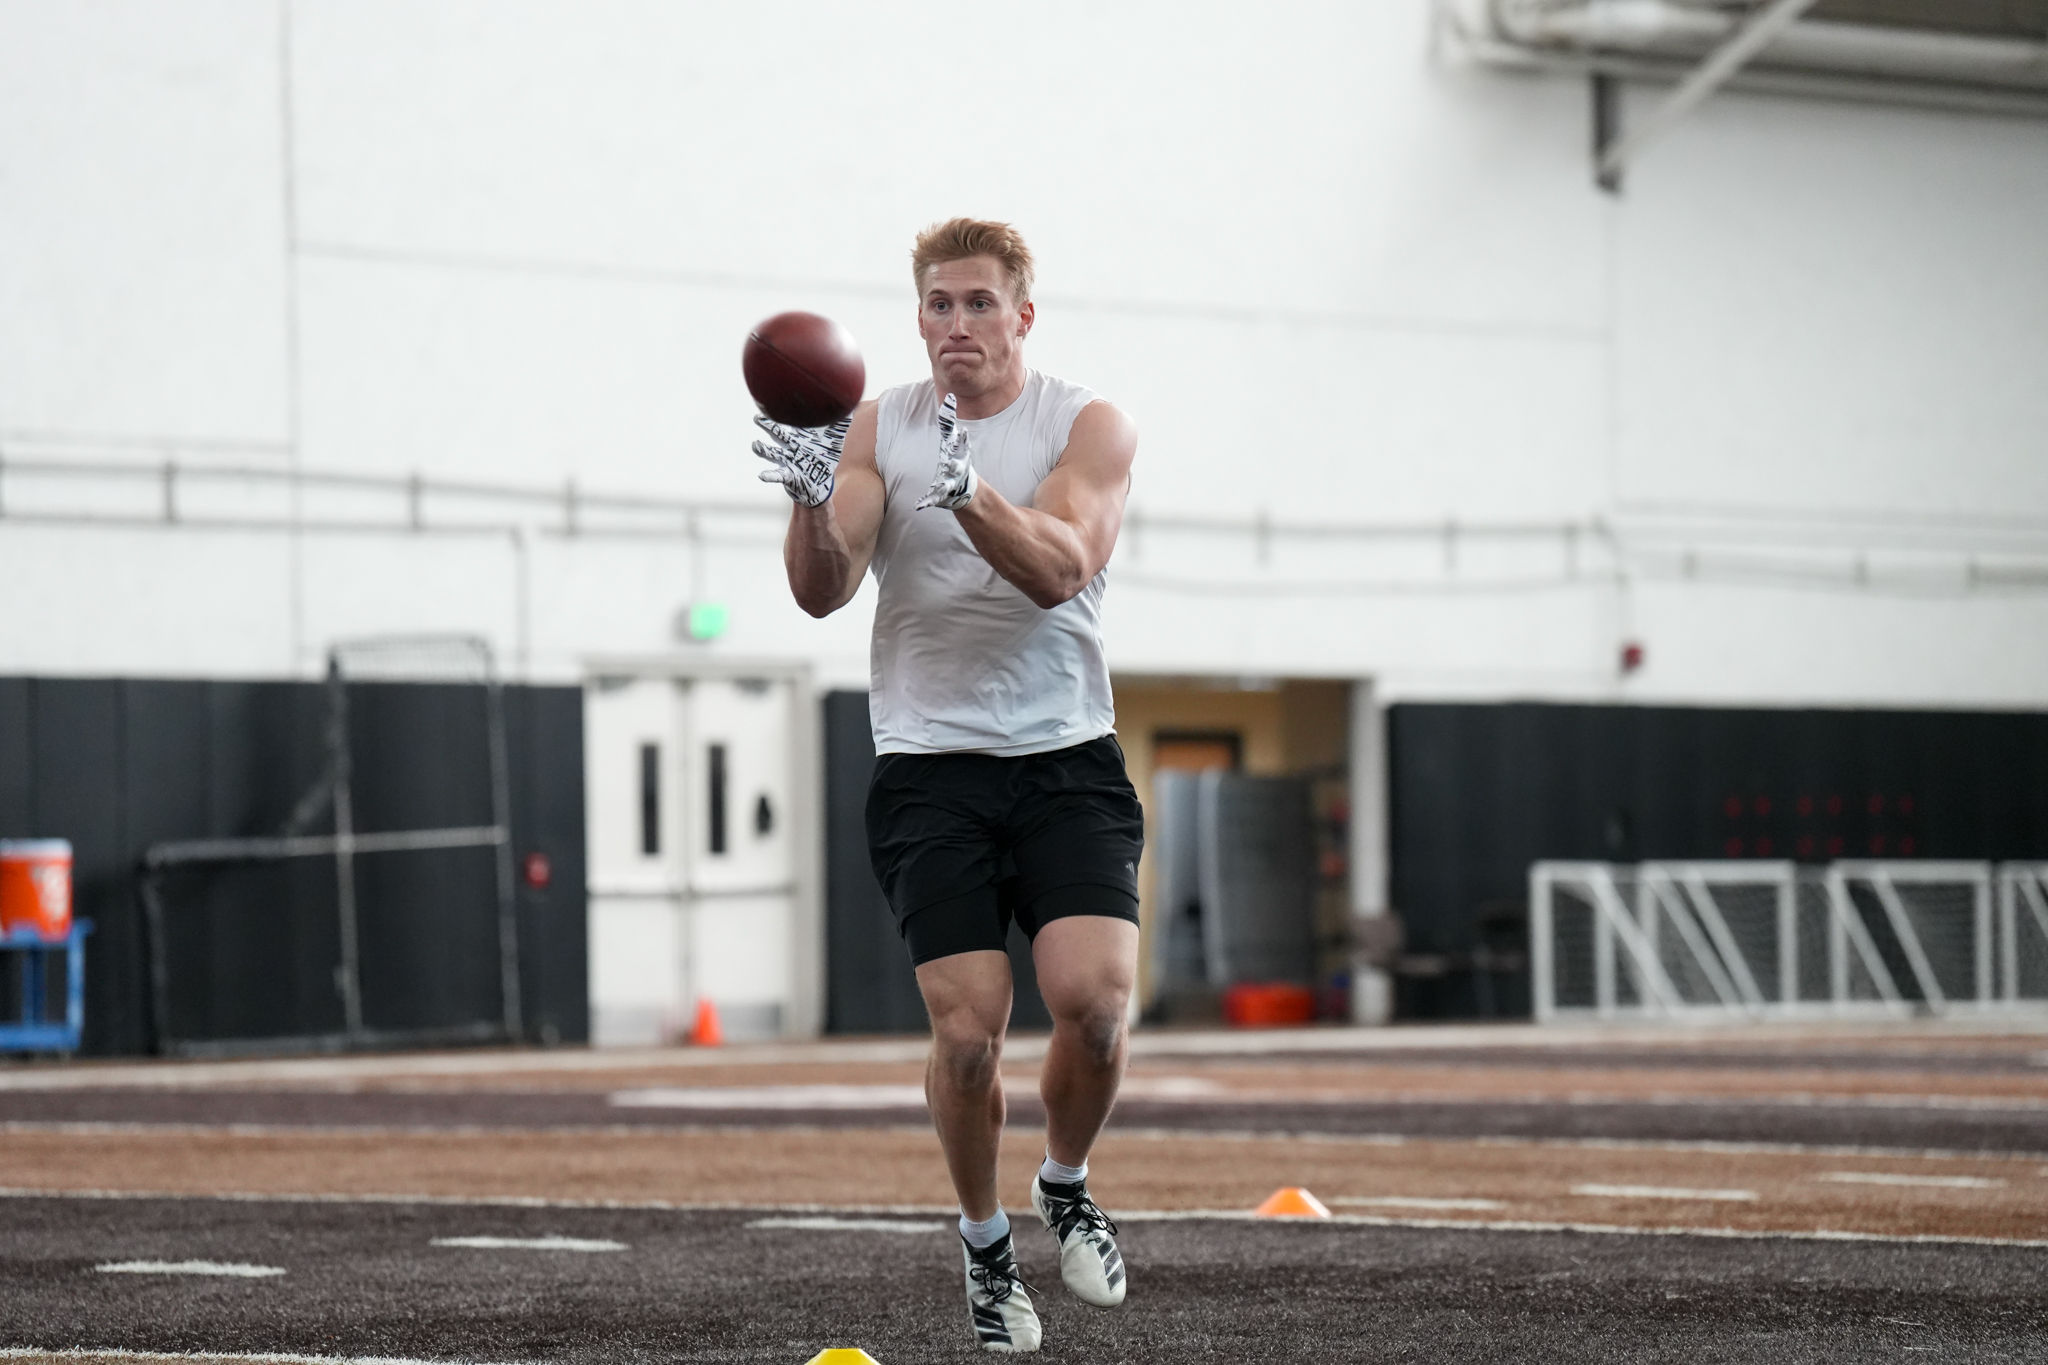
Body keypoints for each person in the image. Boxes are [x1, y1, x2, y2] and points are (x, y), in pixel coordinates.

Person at [752, 217, 1140, 1354]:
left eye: (978, 302)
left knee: (1095, 1009)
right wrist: (810, 497)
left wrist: (969, 492)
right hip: (930, 765)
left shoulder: (1086, 423)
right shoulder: (881, 427)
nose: (956, 323)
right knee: (968, 1034)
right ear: (917, 316)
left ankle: (1064, 1182)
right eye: (937, 303)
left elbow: (1059, 569)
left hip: (1064, 755)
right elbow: (821, 590)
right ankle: (984, 1245)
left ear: (1023, 314)